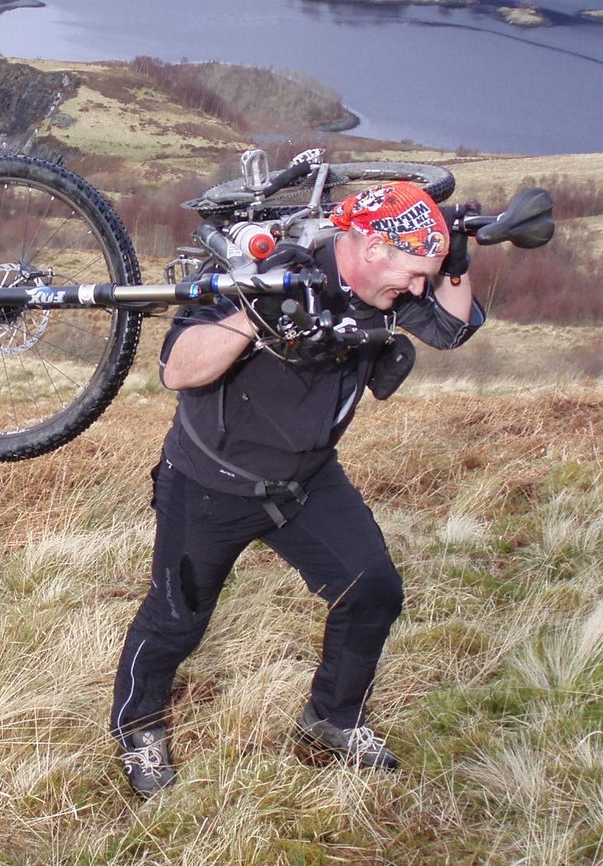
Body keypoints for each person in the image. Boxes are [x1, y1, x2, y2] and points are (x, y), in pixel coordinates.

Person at [110, 181, 484, 797]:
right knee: (176, 620)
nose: (419, 289)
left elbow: (451, 328)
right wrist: (255, 314)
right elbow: (178, 367)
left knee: (373, 591)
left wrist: (457, 258)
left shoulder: (388, 286)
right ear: (369, 250)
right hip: (210, 483)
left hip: (307, 482)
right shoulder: (264, 267)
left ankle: (332, 719)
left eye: (428, 275)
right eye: (415, 274)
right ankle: (138, 731)